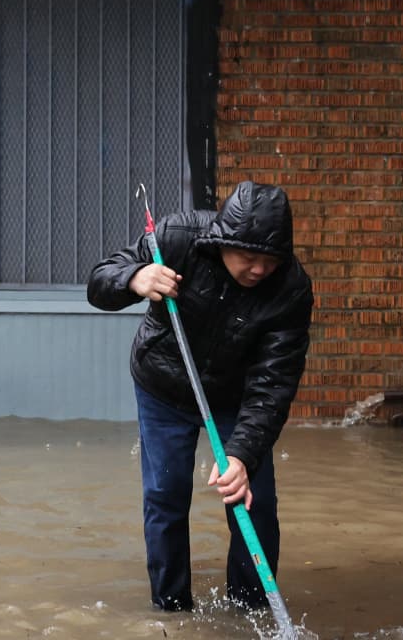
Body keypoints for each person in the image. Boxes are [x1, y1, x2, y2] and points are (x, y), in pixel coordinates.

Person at [86, 180, 314, 612]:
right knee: (166, 494)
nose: (260, 269)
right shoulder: (176, 239)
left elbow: (275, 382)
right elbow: (98, 282)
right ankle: (171, 608)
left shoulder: (291, 289)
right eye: (249, 258)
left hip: (236, 398)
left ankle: (251, 609)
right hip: (164, 387)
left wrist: (244, 455)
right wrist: (135, 276)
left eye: (270, 260)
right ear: (224, 242)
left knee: (253, 500)